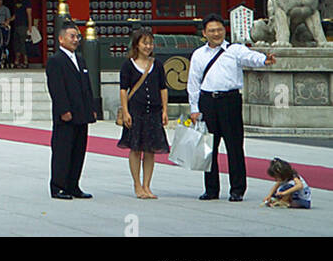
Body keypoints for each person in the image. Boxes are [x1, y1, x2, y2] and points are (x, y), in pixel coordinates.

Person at [187, 13, 275, 201]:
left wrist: (263, 59)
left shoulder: (234, 50)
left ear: (224, 30)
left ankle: (237, 189)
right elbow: (193, 83)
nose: (216, 33)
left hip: (230, 101)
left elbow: (249, 57)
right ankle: (211, 189)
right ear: (204, 33)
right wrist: (194, 108)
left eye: (219, 29)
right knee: (209, 147)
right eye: (211, 30)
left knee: (234, 146)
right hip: (207, 101)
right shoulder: (198, 55)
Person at [46, 20, 96, 199]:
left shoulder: (80, 59)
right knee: (63, 150)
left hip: (82, 112)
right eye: (71, 36)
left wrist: (91, 108)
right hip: (66, 114)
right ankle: (58, 186)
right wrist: (63, 110)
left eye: (77, 36)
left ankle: (73, 185)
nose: (75, 40)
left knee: (78, 150)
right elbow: (56, 88)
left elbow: (87, 86)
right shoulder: (55, 61)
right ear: (61, 39)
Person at [117, 28, 169, 199]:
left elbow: (163, 88)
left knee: (150, 149)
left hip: (153, 111)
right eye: (144, 43)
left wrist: (164, 110)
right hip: (135, 111)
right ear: (136, 45)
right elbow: (123, 90)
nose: (148, 46)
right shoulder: (128, 64)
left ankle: (147, 185)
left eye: (150, 43)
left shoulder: (158, 65)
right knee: (135, 148)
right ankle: (137, 184)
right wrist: (125, 112)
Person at [10, 0, 32, 68]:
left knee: (23, 44)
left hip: (24, 26)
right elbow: (15, 15)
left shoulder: (26, 1)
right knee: (17, 44)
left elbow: (29, 14)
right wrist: (8, 20)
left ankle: (26, 61)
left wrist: (29, 26)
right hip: (16, 26)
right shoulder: (17, 3)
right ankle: (17, 61)